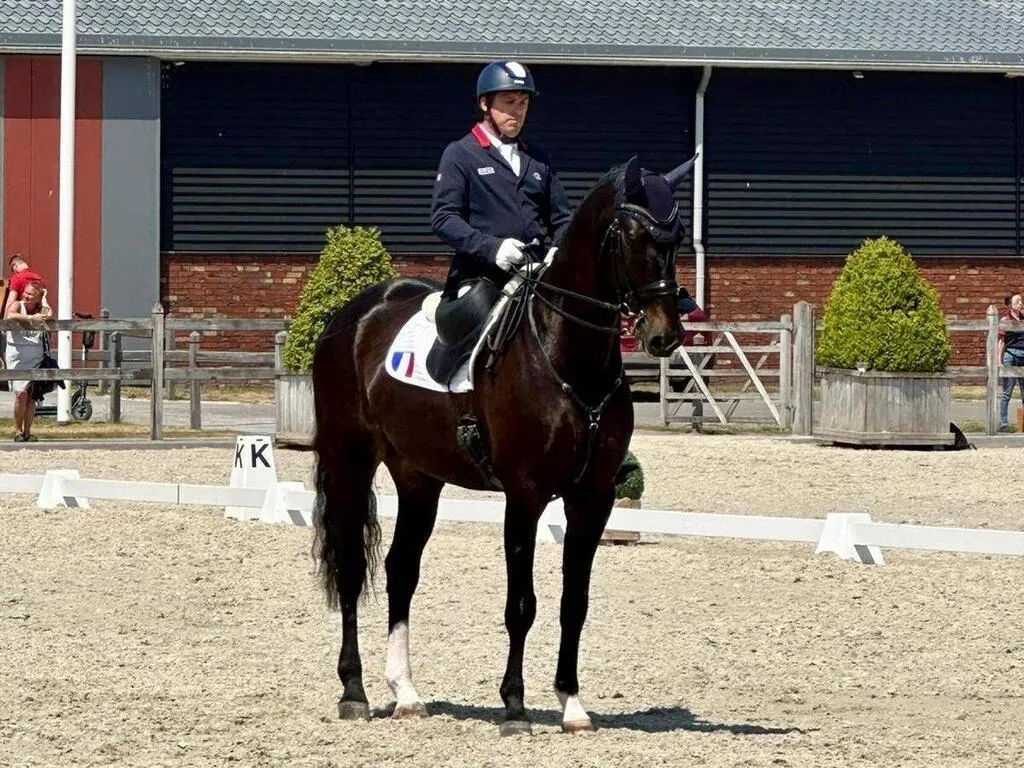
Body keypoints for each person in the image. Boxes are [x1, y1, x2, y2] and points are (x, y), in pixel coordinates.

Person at [430, 61, 572, 299]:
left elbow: (562, 218)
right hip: (480, 276)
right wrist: (492, 247)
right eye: (508, 102)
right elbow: (444, 218)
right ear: (485, 104)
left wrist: (559, 247)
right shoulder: (460, 154)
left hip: (534, 273)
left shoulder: (538, 159)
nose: (517, 111)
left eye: (523, 103)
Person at [4, 281, 49, 442]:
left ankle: (28, 431)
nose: (26, 295)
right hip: (17, 356)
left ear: (37, 298)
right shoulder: (18, 305)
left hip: (35, 356)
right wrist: (31, 318)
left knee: (31, 396)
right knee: (20, 393)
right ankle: (17, 430)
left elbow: (48, 315)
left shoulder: (40, 308)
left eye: (31, 294)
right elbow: (10, 315)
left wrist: (44, 300)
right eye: (26, 292)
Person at [997, 292, 1024, 432]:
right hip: (1011, 355)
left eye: (1021, 300)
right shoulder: (1005, 320)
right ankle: (1003, 423)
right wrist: (999, 360)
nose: (1020, 303)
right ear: (1010, 305)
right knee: (1007, 392)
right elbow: (1001, 341)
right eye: (1017, 301)